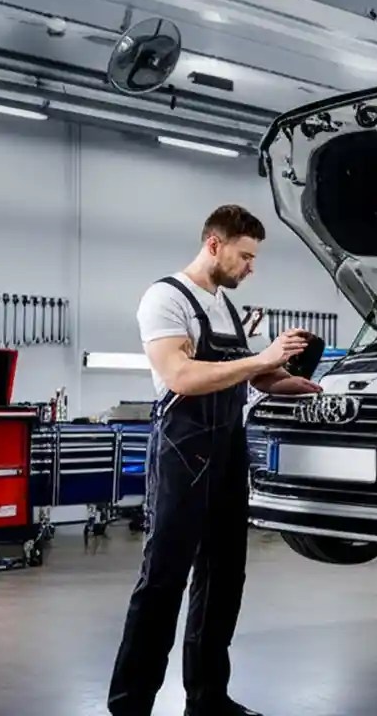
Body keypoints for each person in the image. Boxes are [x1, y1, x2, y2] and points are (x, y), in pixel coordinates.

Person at [108, 205, 322, 716]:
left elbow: (243, 375)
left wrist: (289, 381)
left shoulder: (224, 306)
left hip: (227, 450)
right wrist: (262, 358)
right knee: (163, 580)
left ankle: (207, 698)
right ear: (213, 244)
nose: (251, 266)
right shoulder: (165, 298)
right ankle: (130, 704)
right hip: (183, 451)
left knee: (224, 577)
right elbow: (181, 376)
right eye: (245, 256)